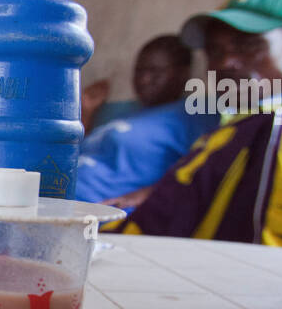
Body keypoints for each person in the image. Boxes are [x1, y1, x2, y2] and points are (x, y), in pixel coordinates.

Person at [106, 0, 282, 250]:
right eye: (214, 51)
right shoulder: (237, 130)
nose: (225, 62)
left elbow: (276, 271)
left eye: (248, 45)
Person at [74, 34, 207, 203]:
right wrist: (87, 111)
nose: (144, 80)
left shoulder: (192, 115)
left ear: (183, 74)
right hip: (59, 199)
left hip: (101, 212)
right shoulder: (128, 115)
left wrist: (142, 197)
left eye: (156, 72)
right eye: (139, 70)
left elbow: (201, 169)